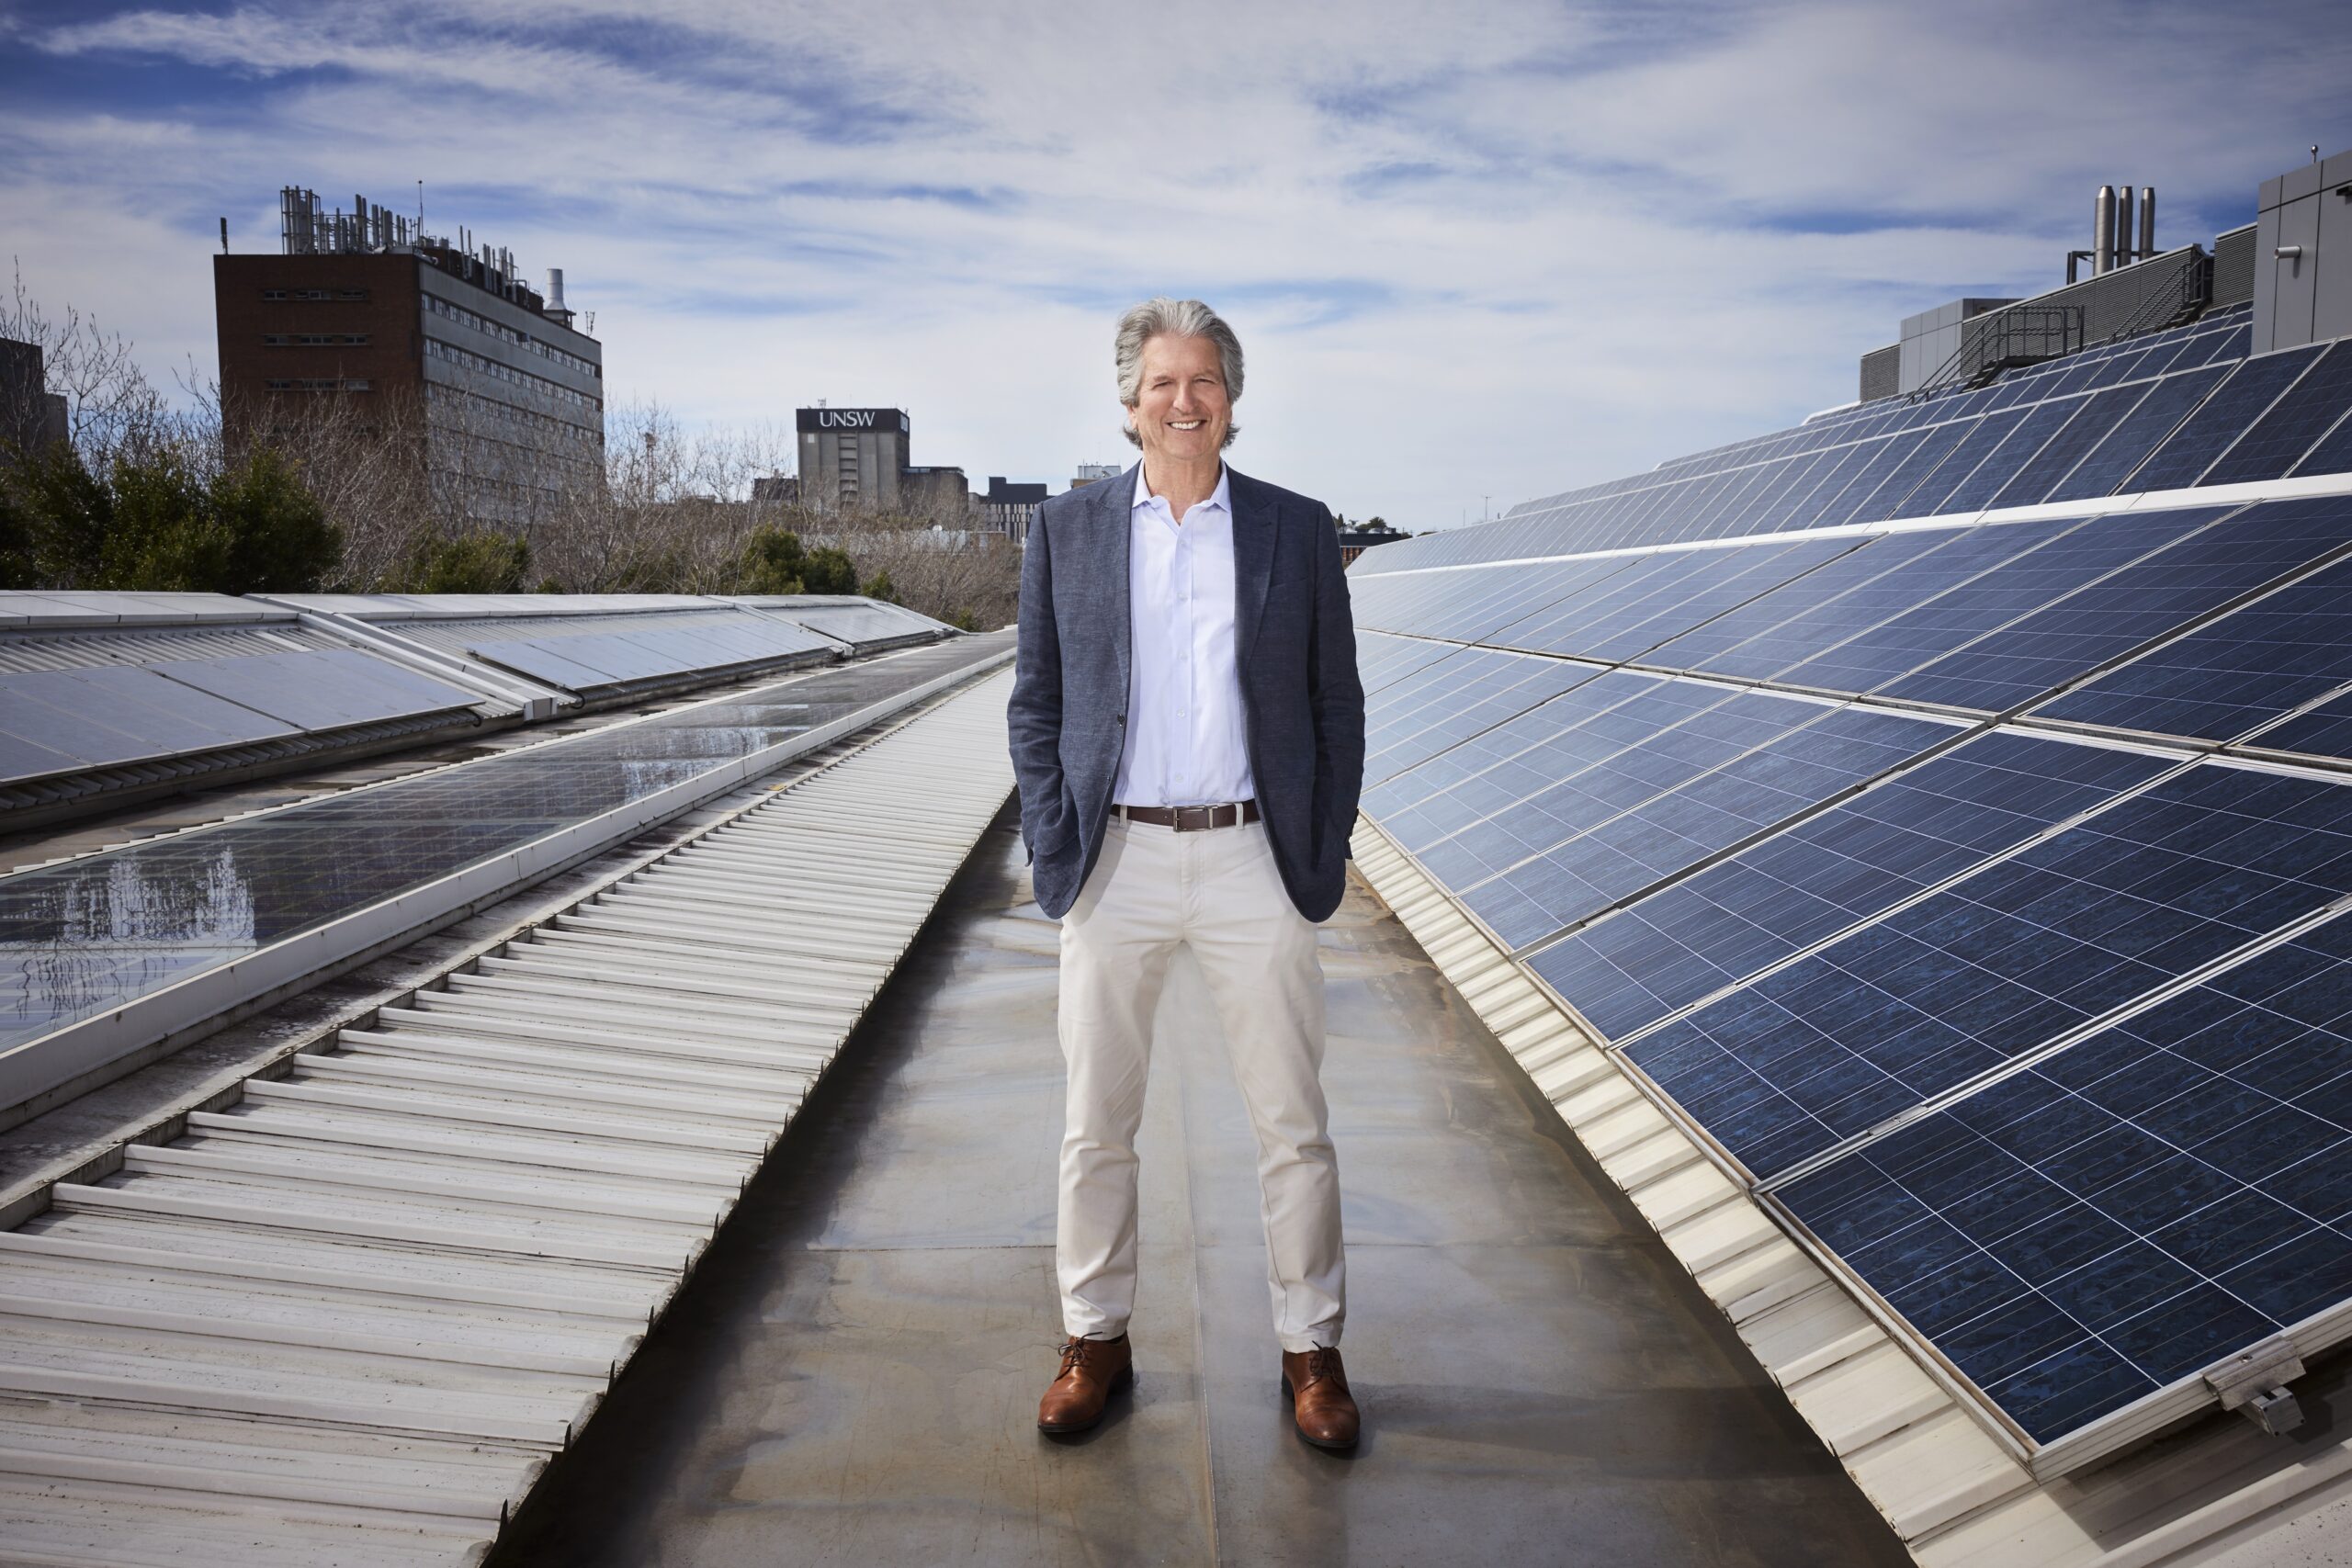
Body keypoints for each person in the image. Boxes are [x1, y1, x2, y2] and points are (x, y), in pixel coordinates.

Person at [1006, 297, 1367, 1449]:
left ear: (1231, 399)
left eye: (1203, 380)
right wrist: (1056, 834)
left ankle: (1311, 1353)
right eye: (1162, 382)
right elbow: (1037, 706)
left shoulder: (1295, 530)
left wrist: (1320, 836)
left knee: (1292, 1125)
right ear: (1129, 404)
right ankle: (1093, 1342)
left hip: (1254, 858)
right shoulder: (1064, 531)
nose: (1183, 400)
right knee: (1094, 1125)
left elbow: (1335, 704)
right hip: (1115, 861)